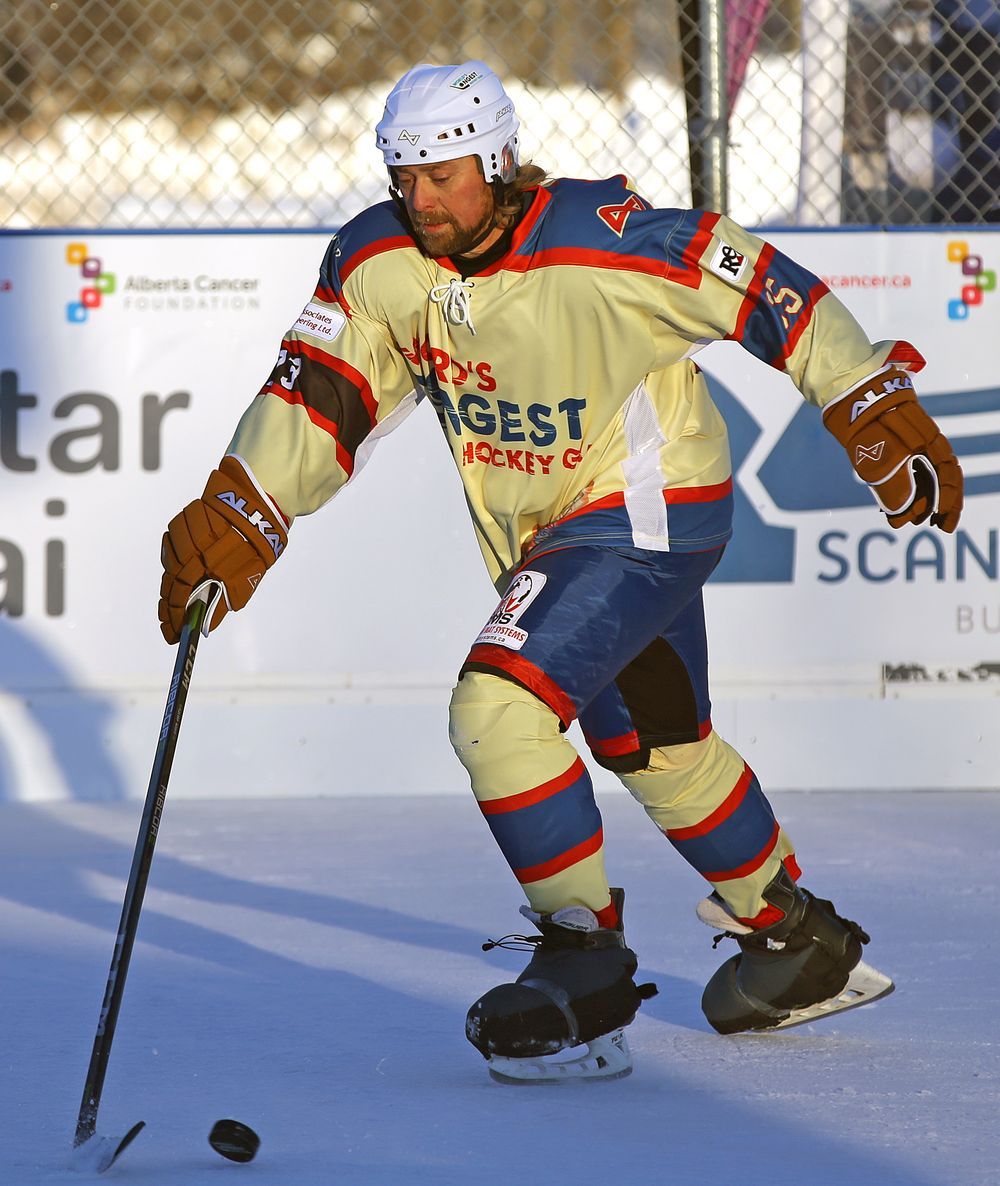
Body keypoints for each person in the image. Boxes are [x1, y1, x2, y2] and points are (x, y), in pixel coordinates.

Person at [158, 61, 964, 1083]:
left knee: (496, 709)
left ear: (497, 161)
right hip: (557, 534)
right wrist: (248, 503)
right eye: (404, 177)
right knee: (656, 744)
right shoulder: (375, 261)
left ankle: (584, 964)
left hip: (644, 510)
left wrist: (859, 394)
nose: (422, 200)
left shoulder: (602, 240)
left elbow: (764, 284)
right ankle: (798, 939)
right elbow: (324, 391)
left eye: (444, 176)